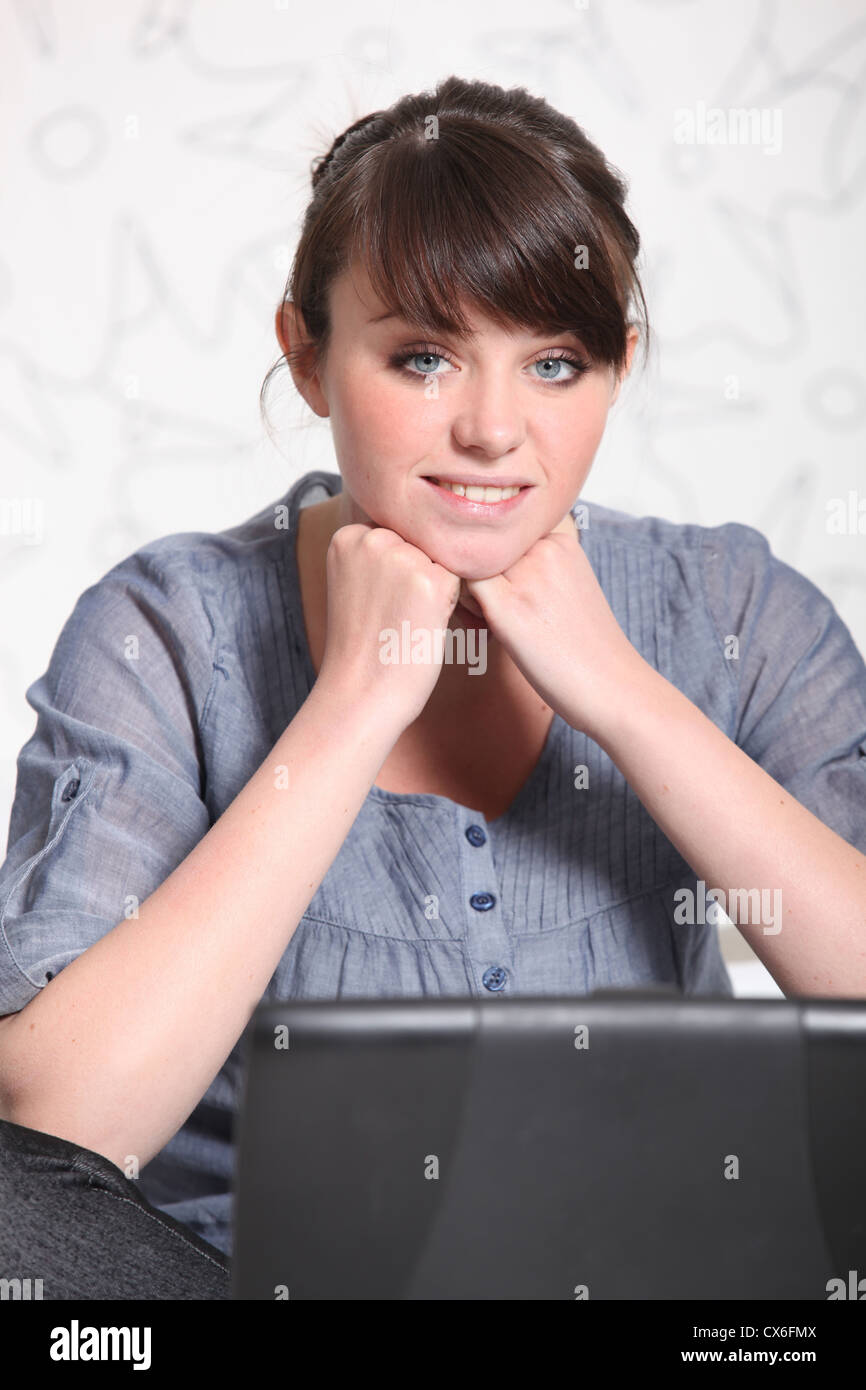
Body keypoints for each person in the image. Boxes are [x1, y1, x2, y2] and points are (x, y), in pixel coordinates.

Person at [1, 74, 865, 1301]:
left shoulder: (727, 605)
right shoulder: (169, 626)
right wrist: (356, 698)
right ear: (306, 356)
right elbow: (60, 1122)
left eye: (555, 364)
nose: (492, 430)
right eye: (421, 356)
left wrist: (620, 691)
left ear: (620, 367)